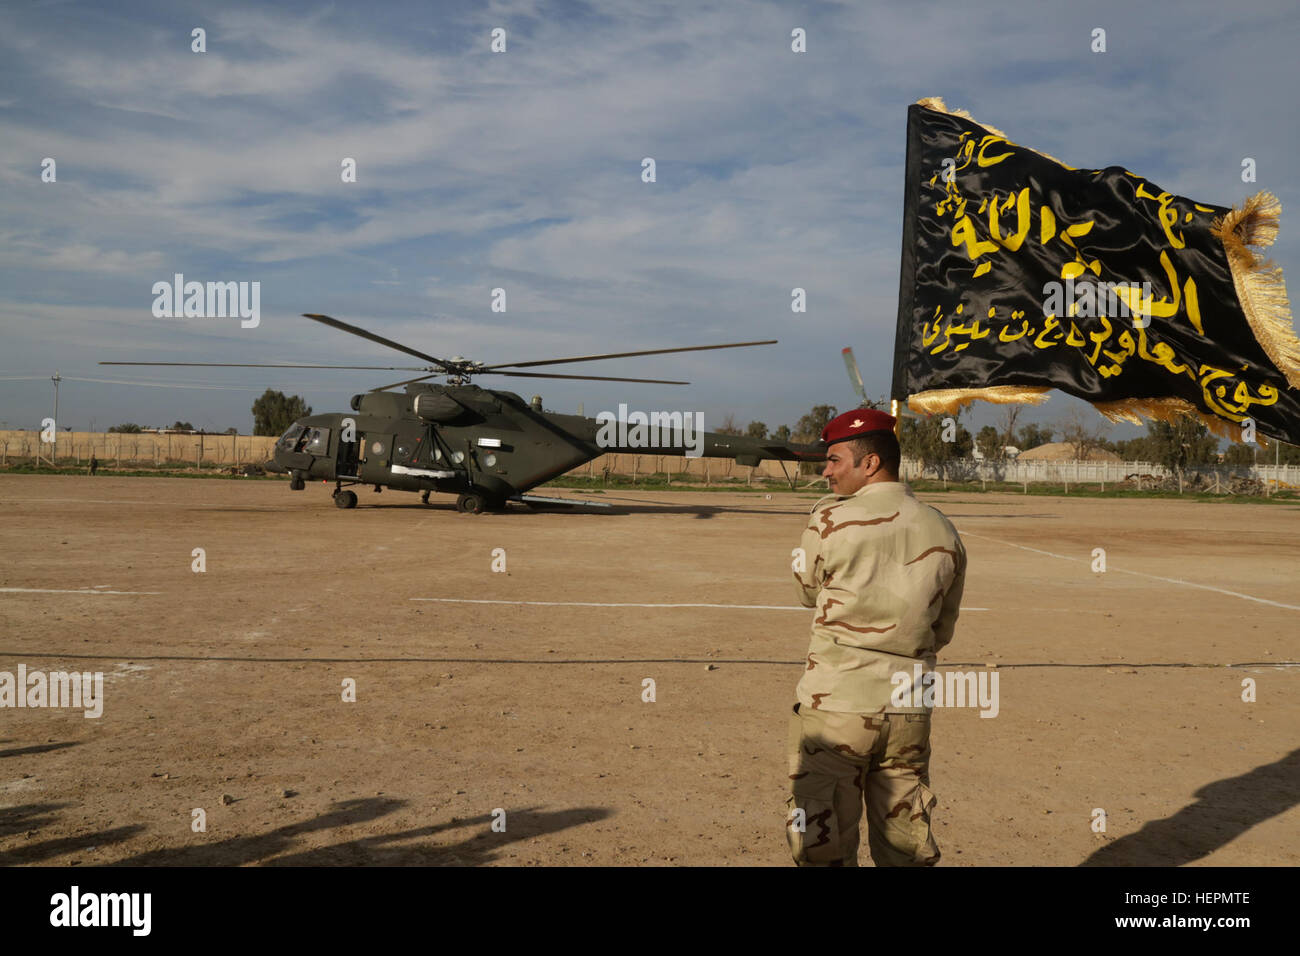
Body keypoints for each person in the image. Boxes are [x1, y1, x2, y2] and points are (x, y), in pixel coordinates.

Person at [786, 407, 966, 867]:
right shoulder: (942, 528)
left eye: (834, 460)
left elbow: (807, 592)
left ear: (870, 464)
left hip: (838, 706)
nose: (826, 471)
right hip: (910, 707)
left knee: (822, 840)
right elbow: (941, 630)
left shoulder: (829, 520)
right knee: (906, 842)